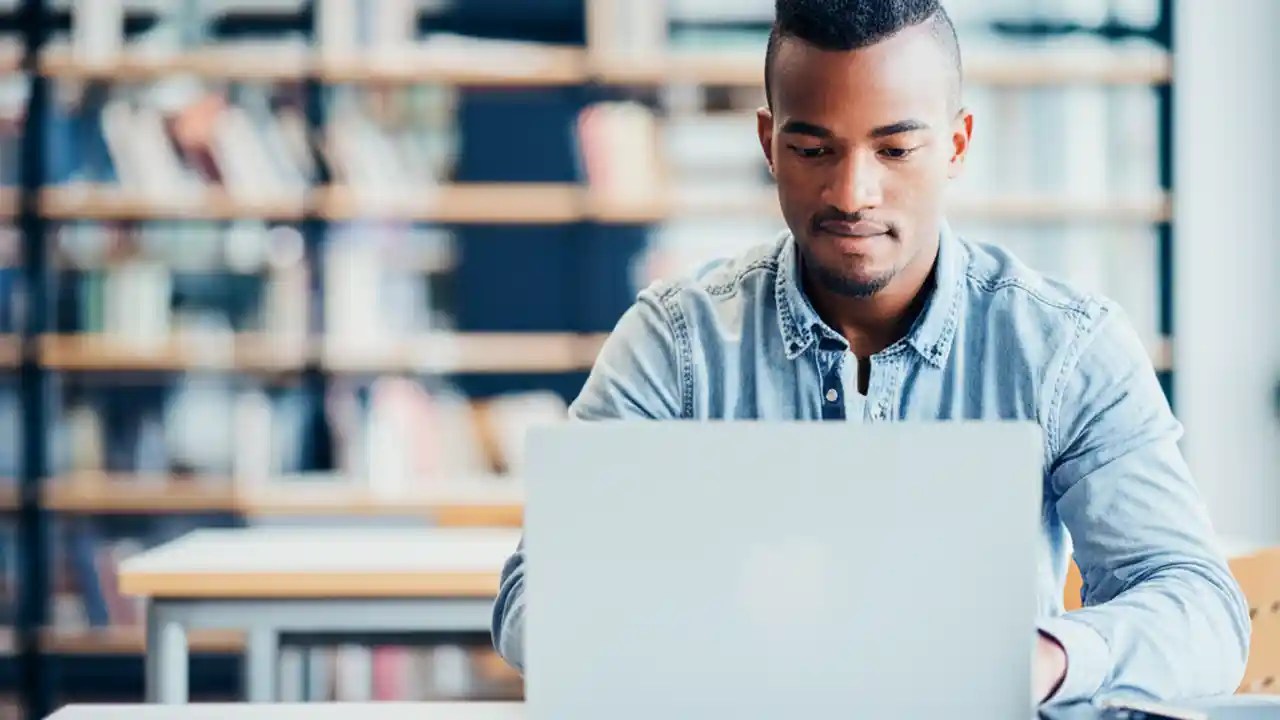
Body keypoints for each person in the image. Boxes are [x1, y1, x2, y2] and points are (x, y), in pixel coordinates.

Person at [492, 0, 1248, 705]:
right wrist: (705, 631)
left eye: (895, 148)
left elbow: (1202, 608)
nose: (853, 193)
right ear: (768, 144)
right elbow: (532, 604)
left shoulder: (1067, 348)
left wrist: (1045, 656)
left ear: (955, 145)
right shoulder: (675, 342)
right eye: (814, 148)